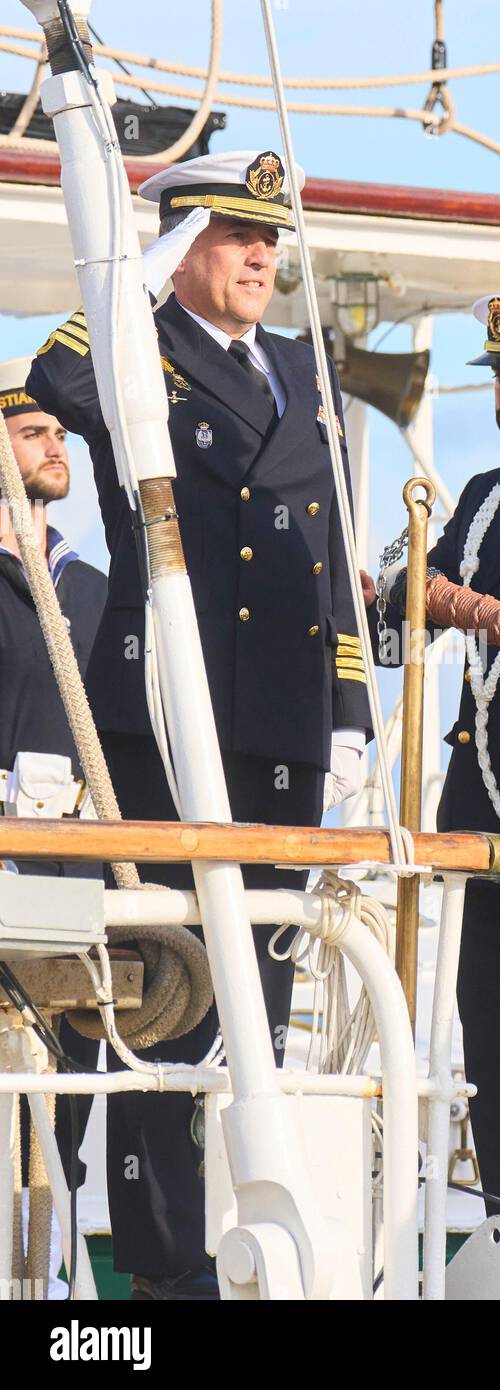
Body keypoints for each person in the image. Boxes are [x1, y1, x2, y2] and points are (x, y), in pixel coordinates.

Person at [27, 151, 372, 1298]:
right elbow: (54, 376)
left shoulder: (296, 368)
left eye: (271, 238)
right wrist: (134, 278)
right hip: (168, 716)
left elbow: (329, 558)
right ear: (183, 253)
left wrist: (351, 707)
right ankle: (165, 1277)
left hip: (279, 725)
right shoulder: (139, 348)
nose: (262, 257)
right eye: (234, 237)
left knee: (257, 1011)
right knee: (163, 1002)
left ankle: (251, 1254)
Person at [367, 295, 500, 1230]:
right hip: (482, 793)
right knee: (490, 1014)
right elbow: (425, 594)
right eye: (499, 376)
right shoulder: (491, 494)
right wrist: (391, 580)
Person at [0, 356, 105, 1294]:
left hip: (68, 890)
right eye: (34, 433)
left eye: (60, 434)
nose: (55, 445)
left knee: (59, 1116)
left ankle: (58, 1293)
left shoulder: (94, 589)